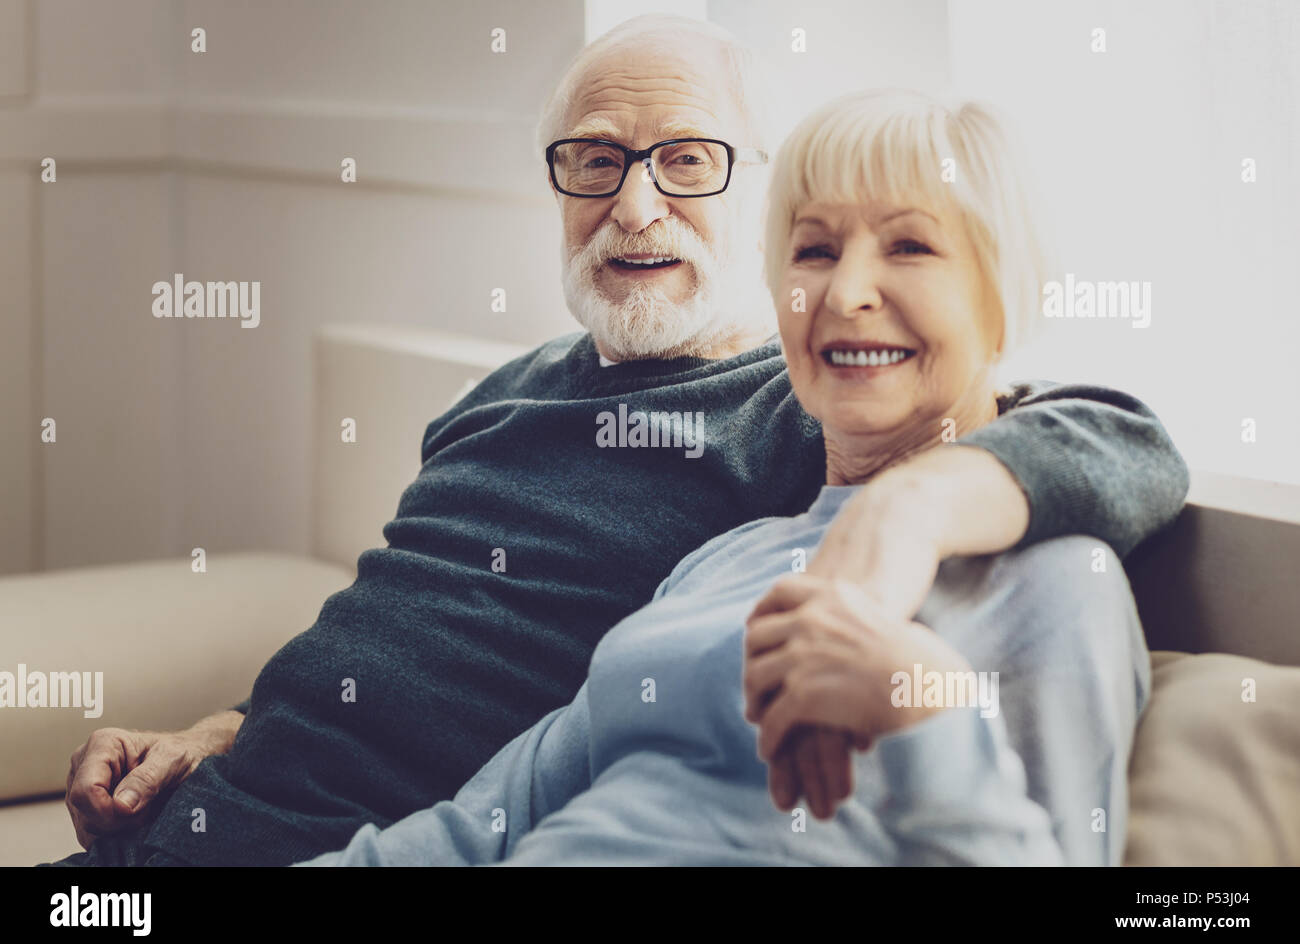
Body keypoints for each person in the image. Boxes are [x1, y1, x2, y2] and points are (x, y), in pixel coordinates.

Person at [49, 17, 1184, 868]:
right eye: (595, 160)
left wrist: (910, 512)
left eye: (686, 159)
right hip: (191, 825)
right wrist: (217, 732)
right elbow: (399, 653)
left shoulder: (797, 414)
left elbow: (1110, 436)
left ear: (747, 192)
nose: (634, 207)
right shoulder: (511, 396)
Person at [300, 88, 1150, 866]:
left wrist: (920, 710)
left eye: (911, 246)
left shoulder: (1057, 581)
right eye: (814, 250)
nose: (847, 290)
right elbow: (483, 823)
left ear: (1006, 296)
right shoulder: (726, 556)